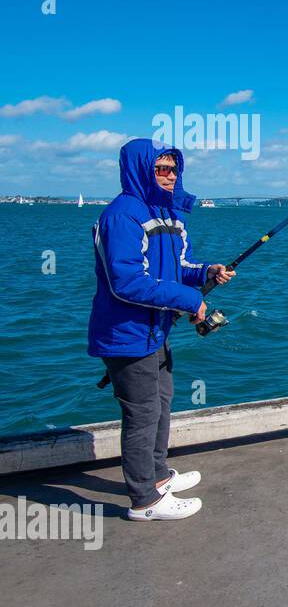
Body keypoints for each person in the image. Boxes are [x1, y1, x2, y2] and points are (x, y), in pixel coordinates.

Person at [88, 138, 235, 521]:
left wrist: (206, 272)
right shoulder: (123, 216)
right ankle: (144, 501)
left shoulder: (168, 215)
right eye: (160, 169)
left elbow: (178, 267)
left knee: (161, 404)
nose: (170, 176)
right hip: (126, 333)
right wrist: (192, 302)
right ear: (140, 170)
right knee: (141, 414)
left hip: (156, 331)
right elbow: (128, 283)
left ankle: (156, 476)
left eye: (173, 169)